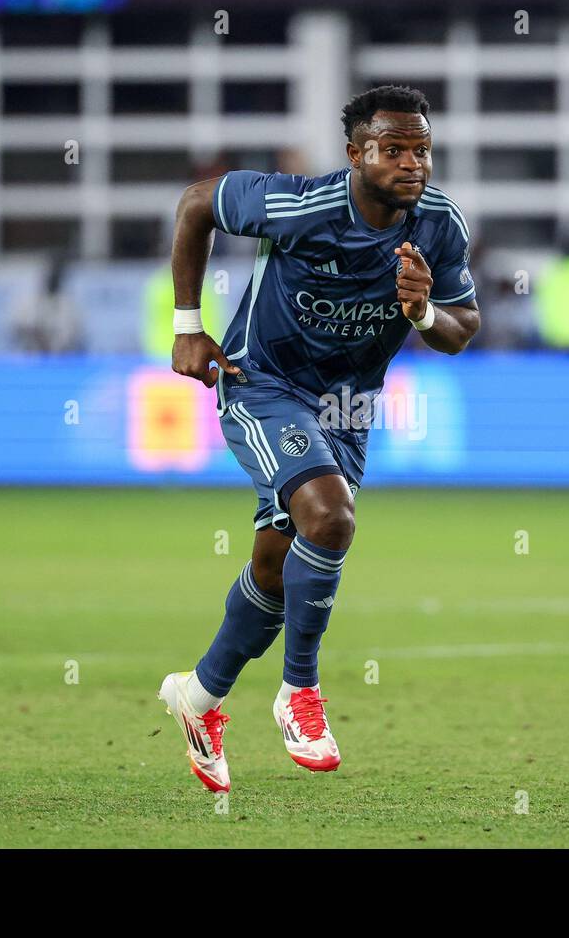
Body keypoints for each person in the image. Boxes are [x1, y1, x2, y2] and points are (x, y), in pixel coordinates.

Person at [160, 85, 479, 792]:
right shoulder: (299, 203)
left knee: (278, 568)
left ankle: (199, 697)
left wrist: (424, 312)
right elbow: (194, 205)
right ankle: (298, 695)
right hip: (262, 381)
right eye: (393, 149)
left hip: (347, 407)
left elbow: (462, 330)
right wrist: (187, 326)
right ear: (355, 154)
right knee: (330, 517)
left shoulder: (440, 224)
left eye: (421, 149)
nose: (412, 163)